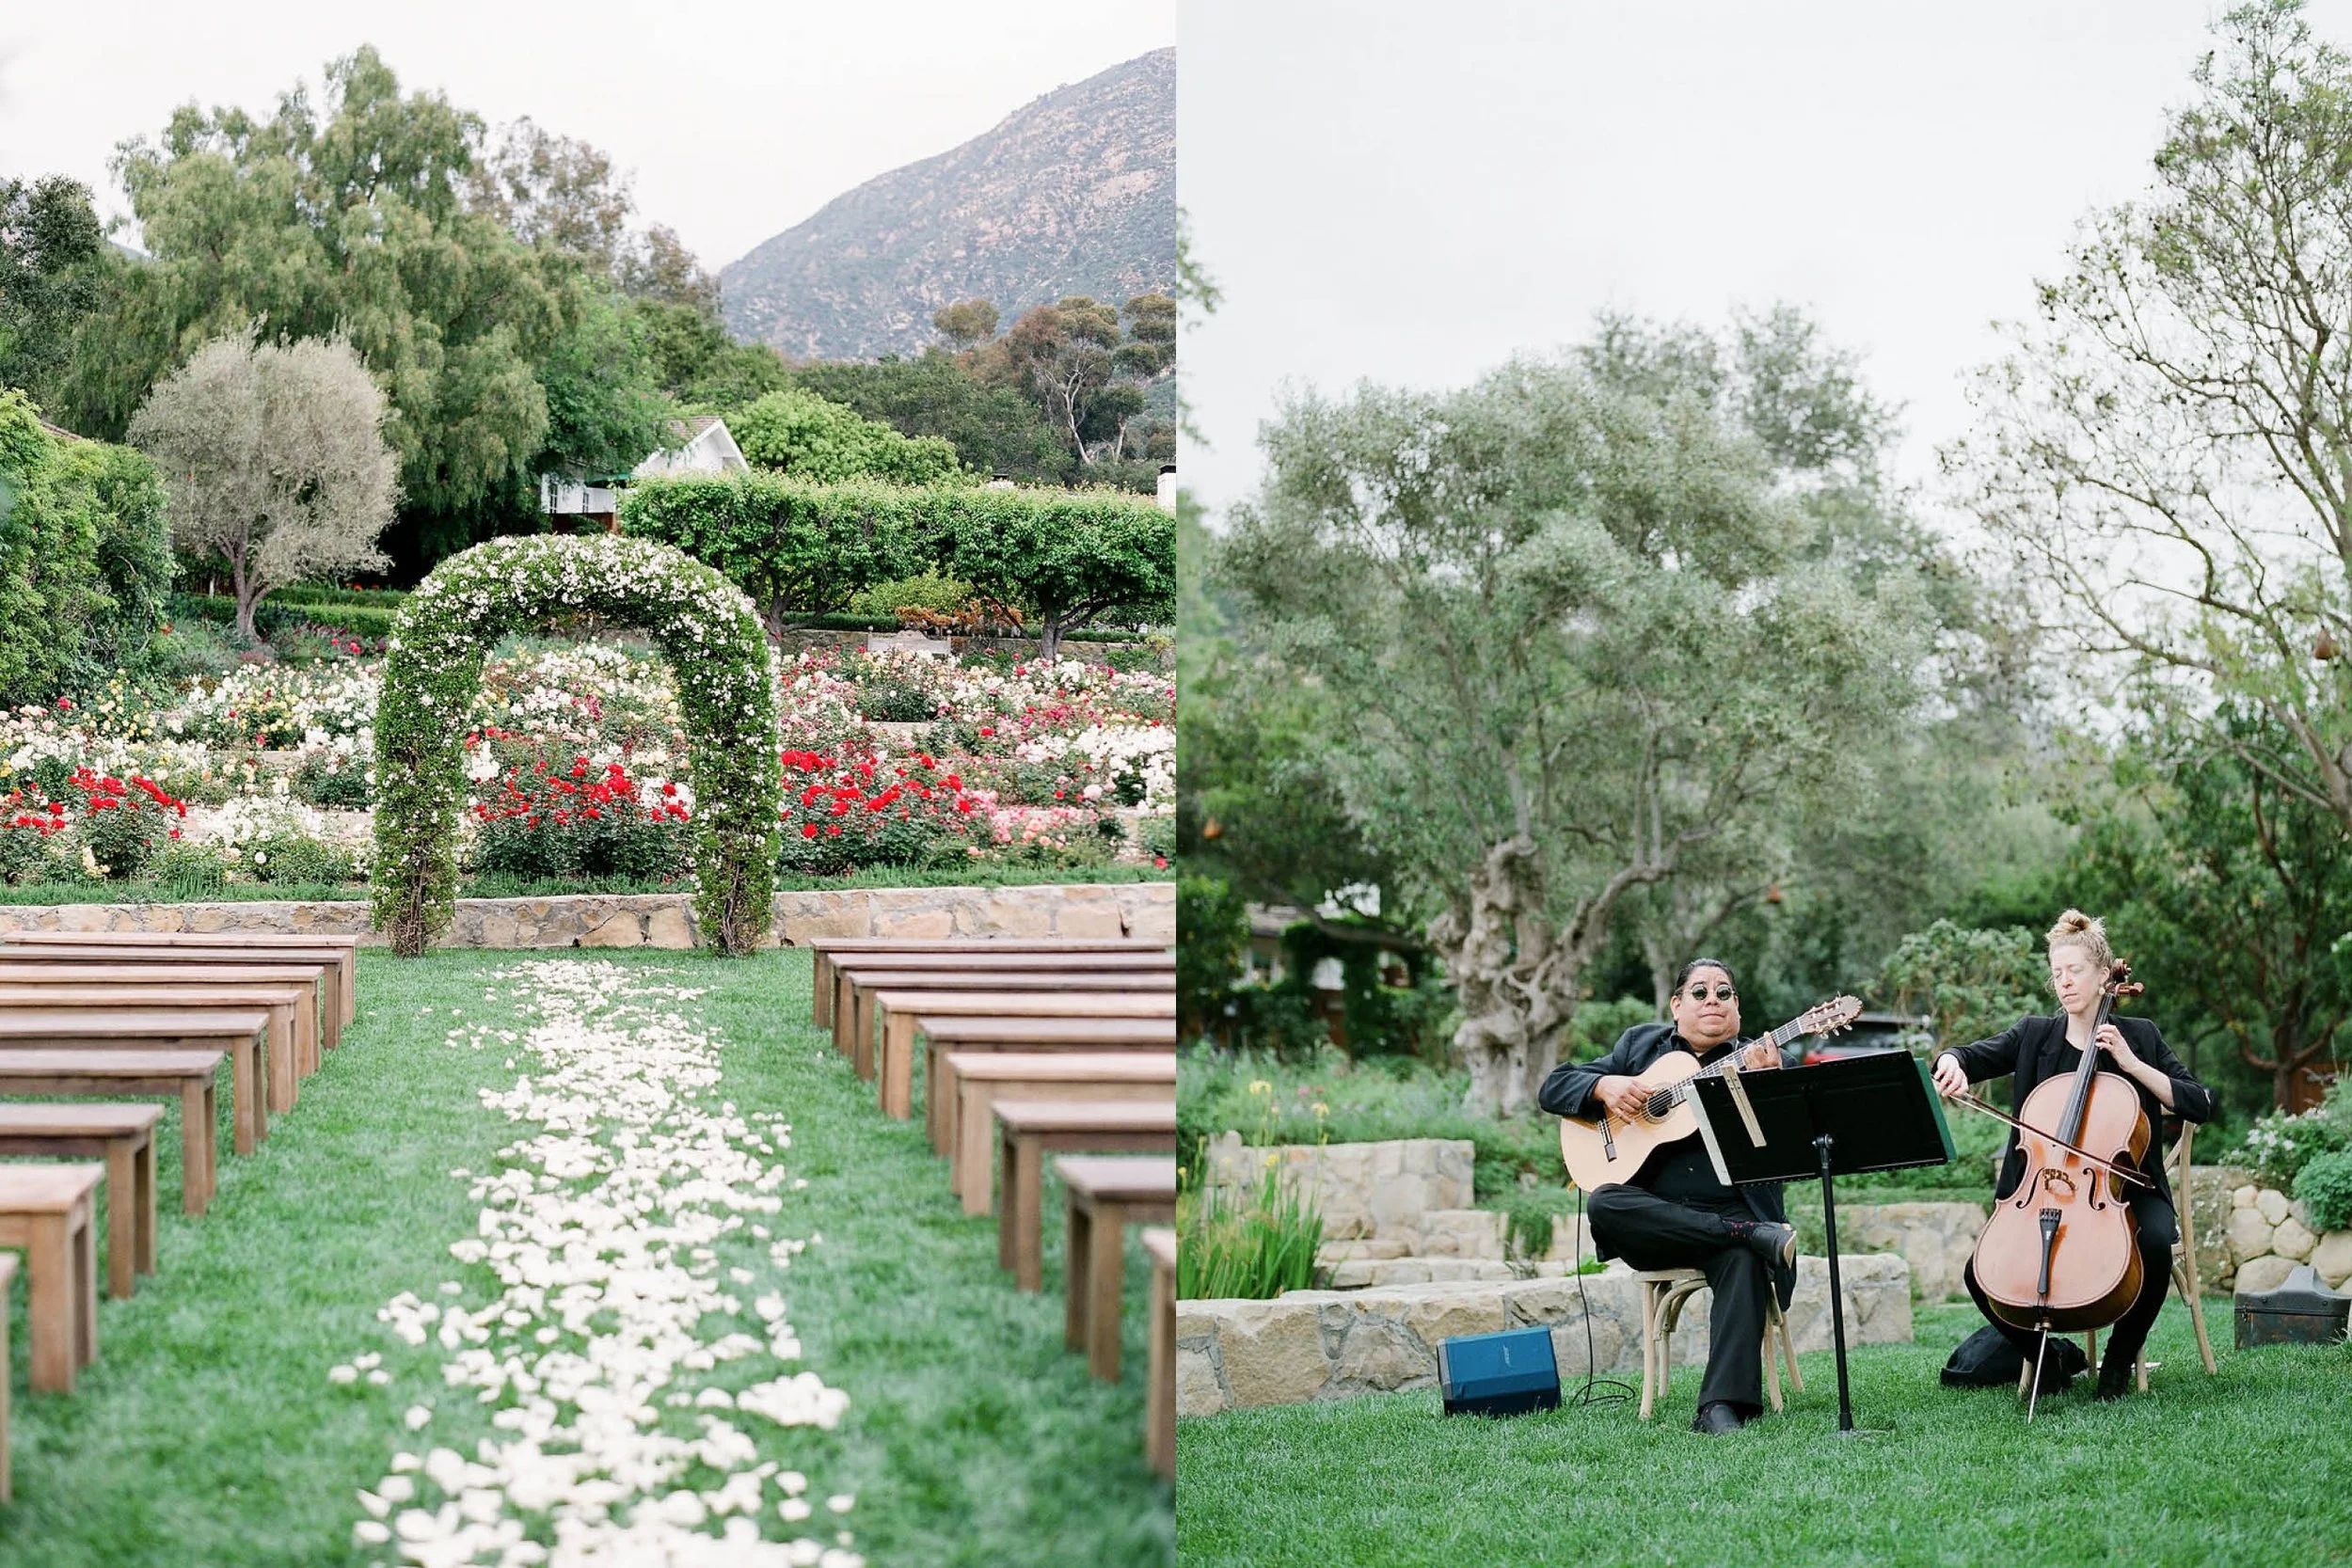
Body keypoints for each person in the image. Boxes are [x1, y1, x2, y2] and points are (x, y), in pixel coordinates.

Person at [1931, 909, 2216, 1401]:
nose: (2064, 983)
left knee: (2151, 1244)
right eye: (2057, 973)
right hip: (2041, 1191)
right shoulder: (2034, 1034)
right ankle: (2051, 1359)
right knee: (1981, 1273)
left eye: (2075, 971)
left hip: (2123, 1191)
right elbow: (1969, 1055)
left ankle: (2118, 1364)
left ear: (2105, 974)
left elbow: (2201, 1102)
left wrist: (2131, 1063)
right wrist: (1952, 1062)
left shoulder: (2141, 1036)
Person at [1537, 958, 1799, 1433]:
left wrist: (1770, 1088)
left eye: (1724, 993)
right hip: (1656, 1224)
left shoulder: (1763, 1060)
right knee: (1604, 1201)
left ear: (1737, 1008)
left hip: (1733, 1213)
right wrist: (1603, 1085)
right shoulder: (1641, 1048)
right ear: (1676, 1005)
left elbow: (1793, 1149)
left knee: (1742, 1258)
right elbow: (1554, 1086)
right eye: (1699, 993)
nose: (1712, 1001)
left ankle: (1721, 1407)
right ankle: (1746, 1234)